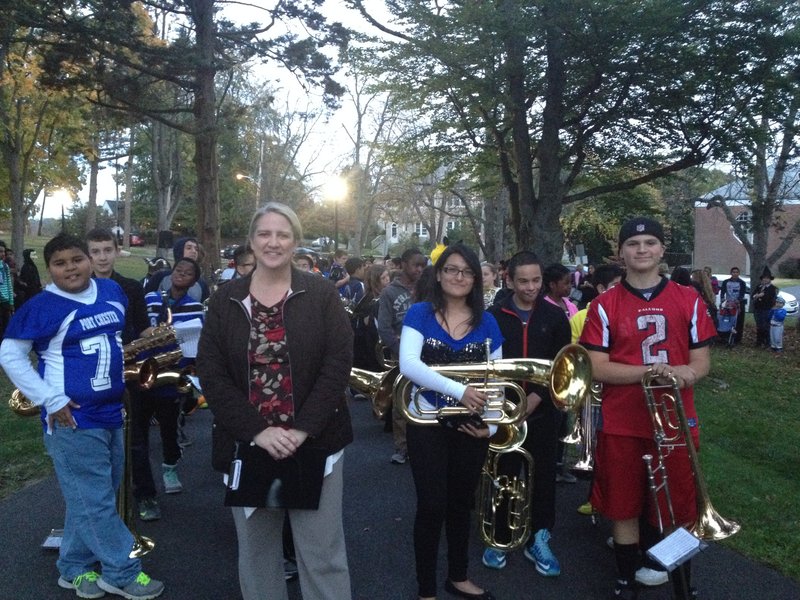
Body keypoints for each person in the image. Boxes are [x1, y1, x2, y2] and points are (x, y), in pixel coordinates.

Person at [196, 202, 353, 600]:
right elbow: (211, 373)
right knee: (257, 556)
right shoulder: (226, 299)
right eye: (264, 233)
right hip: (248, 443)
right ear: (252, 241)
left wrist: (302, 429)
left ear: (295, 242)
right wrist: (258, 431)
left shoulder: (321, 294)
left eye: (283, 234)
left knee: (322, 555)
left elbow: (337, 364)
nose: (273, 242)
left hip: (315, 443)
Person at [0, 233, 164, 600]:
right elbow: (9, 354)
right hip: (72, 419)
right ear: (49, 269)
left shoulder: (111, 292)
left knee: (92, 497)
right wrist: (50, 399)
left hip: (111, 411)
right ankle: (121, 572)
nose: (70, 268)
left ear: (88, 260)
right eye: (59, 263)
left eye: (76, 259)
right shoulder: (42, 306)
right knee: (95, 499)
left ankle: (73, 564)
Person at [579, 217, 716, 600]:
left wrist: (686, 373)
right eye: (634, 243)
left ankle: (682, 585)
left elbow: (701, 361)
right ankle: (627, 581)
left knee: (679, 510)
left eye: (650, 242)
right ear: (620, 252)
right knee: (623, 507)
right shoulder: (604, 304)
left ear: (662, 249)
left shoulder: (688, 299)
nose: (642, 249)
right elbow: (597, 366)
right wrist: (652, 372)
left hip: (674, 423)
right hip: (622, 422)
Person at [399, 243, 501, 600]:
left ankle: (458, 576)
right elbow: (409, 364)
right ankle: (426, 588)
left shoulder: (488, 321)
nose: (459, 277)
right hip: (426, 420)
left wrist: (491, 426)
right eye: (452, 269)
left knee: (461, 504)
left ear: (476, 279)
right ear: (439, 274)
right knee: (431, 506)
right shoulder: (420, 313)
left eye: (467, 271)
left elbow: (497, 379)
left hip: (471, 425)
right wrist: (459, 391)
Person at [482, 250, 571, 576]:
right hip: (503, 411)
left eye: (536, 280)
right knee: (502, 474)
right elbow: (486, 365)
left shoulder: (556, 316)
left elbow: (562, 368)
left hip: (543, 412)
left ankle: (540, 536)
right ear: (509, 280)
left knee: (543, 476)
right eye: (523, 281)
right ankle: (500, 535)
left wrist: (536, 398)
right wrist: (501, 405)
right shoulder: (493, 316)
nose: (531, 287)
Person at [140, 258, 205, 502]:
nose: (181, 275)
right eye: (179, 270)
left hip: (171, 375)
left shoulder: (195, 306)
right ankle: (141, 478)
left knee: (169, 430)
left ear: (193, 281)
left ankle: (170, 469)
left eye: (188, 273)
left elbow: (196, 340)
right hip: (144, 372)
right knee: (139, 432)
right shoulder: (151, 298)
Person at [377, 247, 427, 465]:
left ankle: (422, 446)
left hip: (428, 352)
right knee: (401, 401)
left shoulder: (427, 288)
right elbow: (384, 327)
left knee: (425, 398)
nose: (420, 269)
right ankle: (402, 447)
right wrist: (401, 350)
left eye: (423, 266)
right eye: (416, 265)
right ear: (404, 264)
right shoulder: (389, 292)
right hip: (402, 354)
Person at [145, 237, 210, 302]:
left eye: (196, 249)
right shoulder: (160, 277)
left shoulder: (201, 284)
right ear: (179, 251)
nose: (194, 251)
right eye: (189, 248)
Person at [352, 264, 390, 372]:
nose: (387, 280)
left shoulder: (383, 296)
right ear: (375, 281)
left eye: (388, 276)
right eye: (383, 278)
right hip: (370, 351)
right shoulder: (370, 300)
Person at [719, 267, 748, 345]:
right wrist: (723, 300)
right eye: (733, 272)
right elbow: (722, 292)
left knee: (738, 322)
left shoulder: (742, 283)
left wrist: (738, 300)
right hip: (728, 305)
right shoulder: (726, 282)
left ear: (739, 273)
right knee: (727, 321)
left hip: (738, 305)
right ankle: (726, 336)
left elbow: (742, 293)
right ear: (731, 273)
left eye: (736, 272)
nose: (735, 274)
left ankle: (737, 339)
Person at [751, 266, 779, 349]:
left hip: (767, 309)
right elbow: (753, 295)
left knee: (765, 326)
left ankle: (767, 342)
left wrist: (761, 296)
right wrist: (757, 296)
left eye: (767, 278)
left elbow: (770, 298)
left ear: (770, 279)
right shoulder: (759, 287)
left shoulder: (772, 288)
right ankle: (759, 342)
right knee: (759, 326)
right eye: (764, 278)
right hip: (758, 309)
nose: (765, 280)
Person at [0, 241, 14, 339]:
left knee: (5, 327)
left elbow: (9, 285)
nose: (3, 254)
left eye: (3, 251)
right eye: (0, 251)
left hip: (5, 302)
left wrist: (11, 302)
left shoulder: (5, 267)